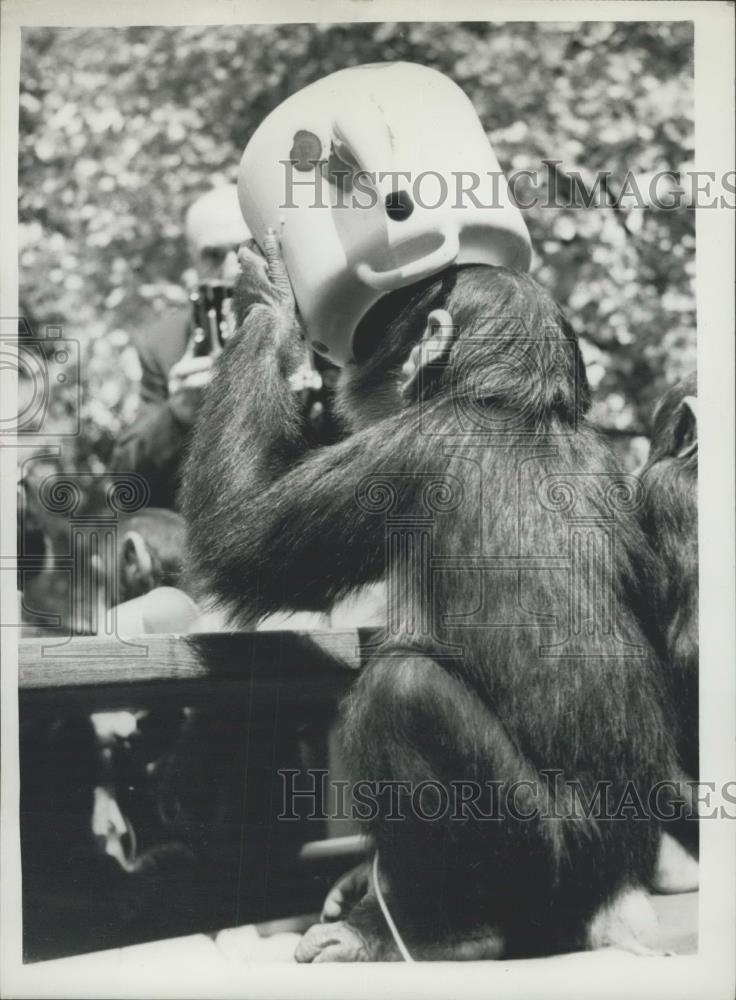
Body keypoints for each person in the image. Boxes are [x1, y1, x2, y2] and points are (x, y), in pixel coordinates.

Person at [110, 185, 250, 509]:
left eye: (246, 249)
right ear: (193, 261)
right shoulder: (164, 343)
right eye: (213, 255)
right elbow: (128, 484)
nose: (231, 271)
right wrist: (178, 416)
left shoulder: (317, 319)